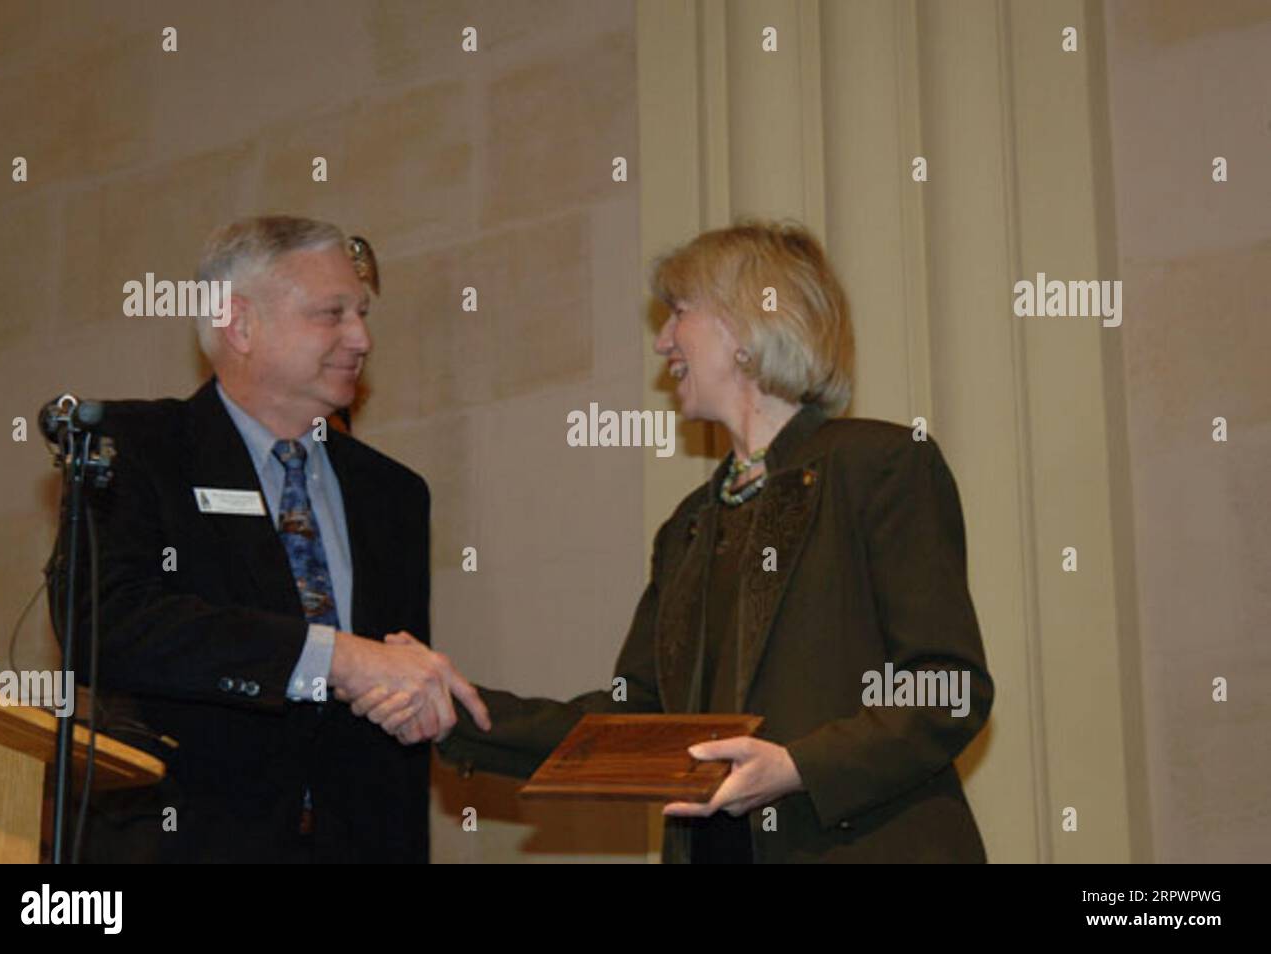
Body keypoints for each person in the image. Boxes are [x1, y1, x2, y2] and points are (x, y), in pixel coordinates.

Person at [417, 220, 994, 863]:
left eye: (679, 313)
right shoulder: (689, 525)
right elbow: (633, 722)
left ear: (746, 328)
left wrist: (796, 766)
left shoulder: (878, 466)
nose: (663, 341)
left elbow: (948, 688)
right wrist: (455, 710)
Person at [49, 215, 489, 863]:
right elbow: (105, 626)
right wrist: (337, 656)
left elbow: (393, 723)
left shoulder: (392, 494)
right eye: (331, 313)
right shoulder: (135, 449)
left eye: (362, 312)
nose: (361, 337)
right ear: (241, 325)